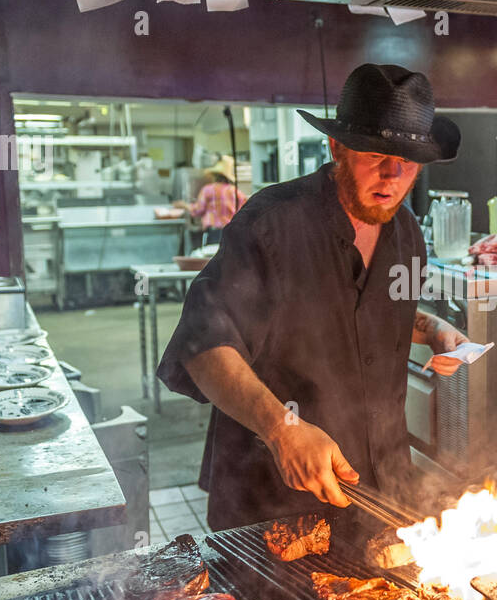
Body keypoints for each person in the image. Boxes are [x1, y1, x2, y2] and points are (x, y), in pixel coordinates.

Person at [157, 64, 470, 530]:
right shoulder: (271, 223)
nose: (392, 174)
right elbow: (205, 345)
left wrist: (434, 328)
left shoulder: (405, 231)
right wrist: (283, 431)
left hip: (380, 488)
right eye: (374, 154)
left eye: (407, 159)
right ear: (337, 147)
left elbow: (369, 311)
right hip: (274, 500)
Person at [175, 155, 245, 245]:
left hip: (214, 233)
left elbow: (198, 210)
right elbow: (243, 212)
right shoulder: (236, 192)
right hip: (232, 233)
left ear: (215, 176)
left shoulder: (208, 190)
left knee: (213, 256)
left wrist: (184, 205)